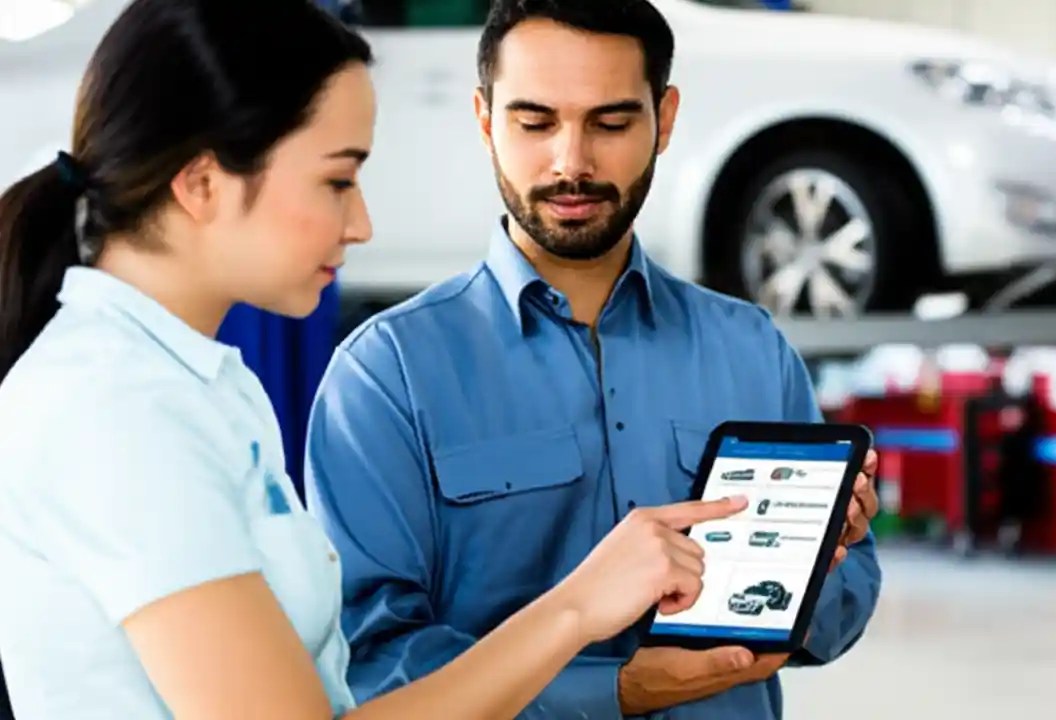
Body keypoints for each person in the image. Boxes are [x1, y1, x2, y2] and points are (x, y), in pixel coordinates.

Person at [0, 1, 747, 718]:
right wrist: (579, 608)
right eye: (337, 180)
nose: (360, 223)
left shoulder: (202, 387)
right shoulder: (119, 411)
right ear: (201, 183)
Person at [304, 0, 883, 717]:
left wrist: (814, 558)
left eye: (610, 123)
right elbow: (372, 661)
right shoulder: (385, 377)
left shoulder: (752, 351)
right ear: (485, 119)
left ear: (663, 119)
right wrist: (618, 690)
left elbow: (840, 611)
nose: (571, 163)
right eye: (535, 122)